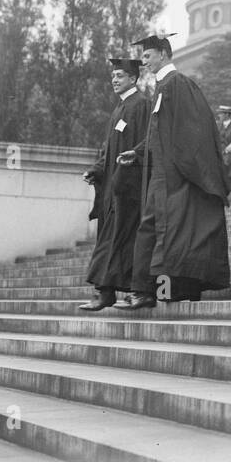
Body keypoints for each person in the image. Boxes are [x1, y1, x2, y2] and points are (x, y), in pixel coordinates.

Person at [115, 32, 231, 309]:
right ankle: (144, 290)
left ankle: (146, 292)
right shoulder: (163, 86)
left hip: (173, 175)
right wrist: (140, 151)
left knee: (157, 229)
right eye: (142, 57)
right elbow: (160, 130)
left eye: (148, 56)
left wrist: (186, 169)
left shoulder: (178, 84)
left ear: (164, 54)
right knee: (150, 228)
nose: (144, 63)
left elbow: (192, 130)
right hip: (161, 173)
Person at [79, 57, 149, 311]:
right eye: (113, 76)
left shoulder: (141, 105)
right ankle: (105, 292)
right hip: (115, 185)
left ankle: (125, 292)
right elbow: (111, 149)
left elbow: (148, 141)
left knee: (122, 240)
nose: (115, 80)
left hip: (131, 185)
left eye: (120, 76)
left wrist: (134, 161)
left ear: (133, 78)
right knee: (110, 239)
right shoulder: (121, 107)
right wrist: (97, 169)